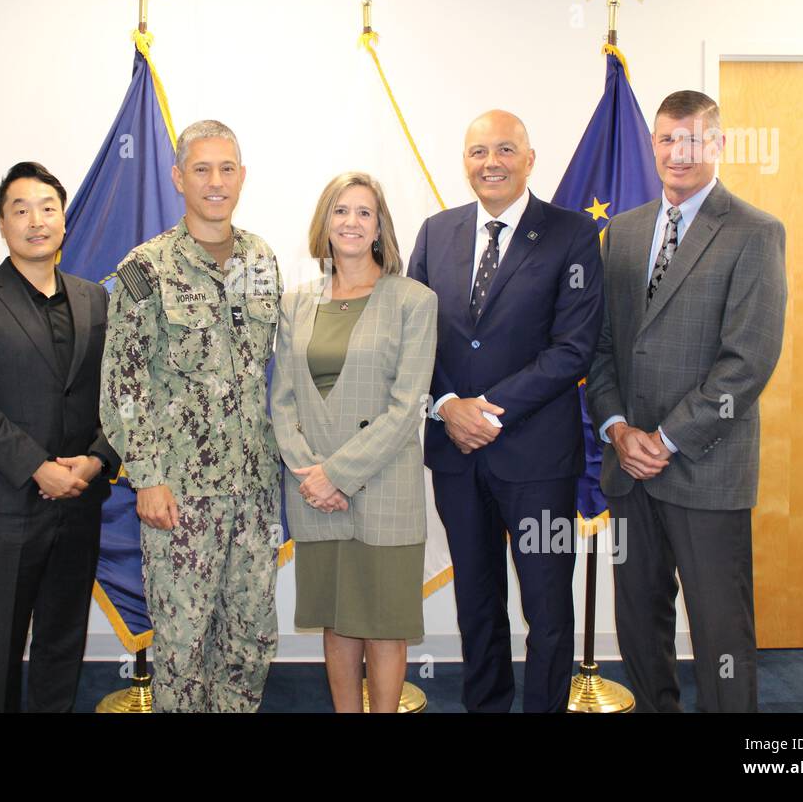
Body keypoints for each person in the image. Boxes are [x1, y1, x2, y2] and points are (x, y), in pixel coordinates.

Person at [586, 90, 786, 712]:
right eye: (669, 139)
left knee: (721, 631)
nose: (680, 152)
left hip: (706, 467)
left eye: (694, 139)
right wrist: (620, 431)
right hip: (629, 469)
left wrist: (665, 439)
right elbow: (603, 348)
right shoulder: (622, 231)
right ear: (654, 145)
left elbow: (747, 361)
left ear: (719, 144)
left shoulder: (754, 232)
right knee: (640, 626)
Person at [407, 110, 603, 713]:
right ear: (464, 161)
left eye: (504, 150)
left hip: (536, 456)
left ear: (529, 158)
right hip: (456, 456)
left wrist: (485, 411)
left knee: (546, 606)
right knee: (477, 600)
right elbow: (412, 336)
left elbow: (574, 346)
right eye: (477, 152)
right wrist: (445, 405)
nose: (490, 162)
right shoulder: (436, 232)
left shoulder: (571, 234)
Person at [100, 119, 283, 712]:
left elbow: (268, 371)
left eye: (227, 168)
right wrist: (147, 476)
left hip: (253, 495)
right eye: (201, 169)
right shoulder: (145, 268)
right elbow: (121, 388)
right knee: (183, 646)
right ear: (179, 177)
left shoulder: (262, 259)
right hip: (181, 497)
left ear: (242, 177)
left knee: (250, 642)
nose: (215, 181)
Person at [0, 162, 118, 712]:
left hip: (81, 497)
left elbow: (119, 396)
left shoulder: (95, 299)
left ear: (64, 220)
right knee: (0, 643)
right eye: (20, 210)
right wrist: (39, 467)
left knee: (63, 639)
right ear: (2, 224)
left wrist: (94, 461)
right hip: (9, 502)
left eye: (47, 208)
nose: (35, 220)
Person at [270, 172, 436, 713]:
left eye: (364, 212)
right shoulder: (295, 302)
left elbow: (407, 406)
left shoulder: (414, 300)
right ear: (326, 222)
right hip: (312, 490)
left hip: (384, 488)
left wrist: (337, 475)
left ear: (379, 227)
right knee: (337, 621)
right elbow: (282, 401)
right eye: (341, 210)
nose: (351, 222)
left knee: (384, 625)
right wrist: (310, 474)